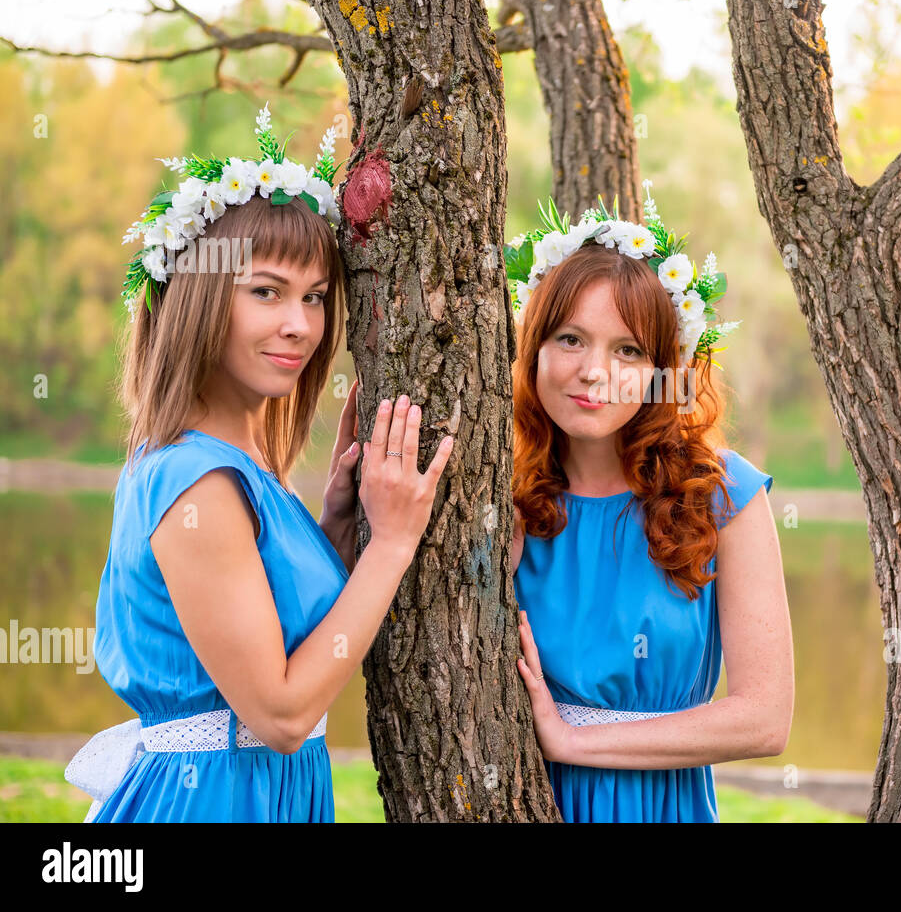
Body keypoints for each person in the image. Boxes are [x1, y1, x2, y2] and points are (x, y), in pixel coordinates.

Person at [65, 105, 453, 821]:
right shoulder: (199, 483)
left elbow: (278, 630)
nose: (300, 325)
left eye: (314, 297)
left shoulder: (236, 464)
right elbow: (277, 713)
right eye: (266, 292)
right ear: (199, 298)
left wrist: (336, 527)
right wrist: (393, 544)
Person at [504, 186, 794, 821]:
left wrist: (574, 740)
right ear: (534, 346)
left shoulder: (722, 494)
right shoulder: (500, 496)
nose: (595, 372)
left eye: (628, 350)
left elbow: (764, 719)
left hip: (660, 803)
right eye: (570, 339)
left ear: (667, 366)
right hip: (525, 801)